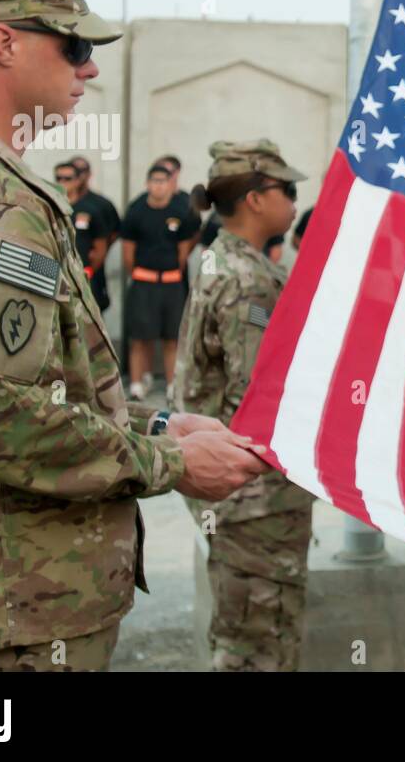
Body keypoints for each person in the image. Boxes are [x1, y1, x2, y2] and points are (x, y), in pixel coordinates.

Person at [0, 0, 266, 672]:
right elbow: (12, 426)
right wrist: (172, 460)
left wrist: (151, 422)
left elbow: (1, 396)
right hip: (5, 623)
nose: (88, 68)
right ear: (5, 43)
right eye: (74, 43)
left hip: (0, 611)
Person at [175, 139, 315, 671]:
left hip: (245, 495)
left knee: (249, 633)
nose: (295, 202)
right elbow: (258, 391)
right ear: (256, 198)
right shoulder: (249, 280)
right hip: (256, 497)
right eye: (288, 189)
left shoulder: (226, 260)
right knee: (259, 645)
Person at [122, 162, 200, 400]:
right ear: (147, 184)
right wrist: (139, 273)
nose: (158, 186)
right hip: (143, 282)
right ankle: (137, 384)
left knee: (172, 338)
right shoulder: (136, 210)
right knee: (140, 337)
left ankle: (171, 385)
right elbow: (128, 252)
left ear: (171, 184)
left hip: (172, 283)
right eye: (154, 181)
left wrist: (172, 271)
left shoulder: (181, 210)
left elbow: (184, 250)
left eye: (163, 181)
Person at [55, 160, 111, 309]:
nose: (63, 182)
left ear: (78, 181)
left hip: (84, 276)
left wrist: (88, 269)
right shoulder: (52, 207)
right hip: (59, 276)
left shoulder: (91, 209)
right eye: (59, 178)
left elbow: (101, 246)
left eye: (68, 178)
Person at [67, 154, 120, 310]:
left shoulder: (100, 204)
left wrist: (98, 253)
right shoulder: (57, 201)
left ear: (89, 174)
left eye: (82, 171)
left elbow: (114, 232)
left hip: (91, 270)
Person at [201, 210, 283, 263]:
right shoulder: (216, 218)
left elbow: (275, 252)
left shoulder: (267, 217)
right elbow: (207, 251)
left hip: (258, 277)